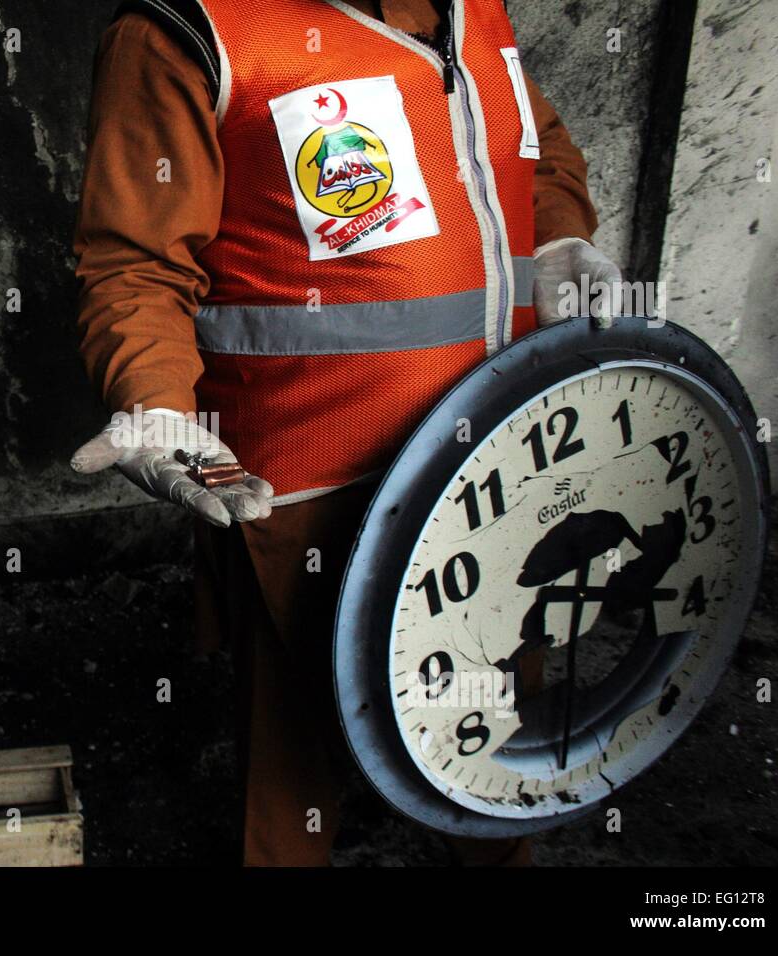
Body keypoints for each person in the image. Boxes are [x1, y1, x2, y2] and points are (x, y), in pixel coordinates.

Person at [70, 0, 622, 866]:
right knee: (295, 757)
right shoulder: (188, 29)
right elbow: (135, 262)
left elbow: (530, 142)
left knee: (496, 719)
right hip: (310, 484)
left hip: (503, 459)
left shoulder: (475, 10)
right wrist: (156, 401)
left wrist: (559, 237)